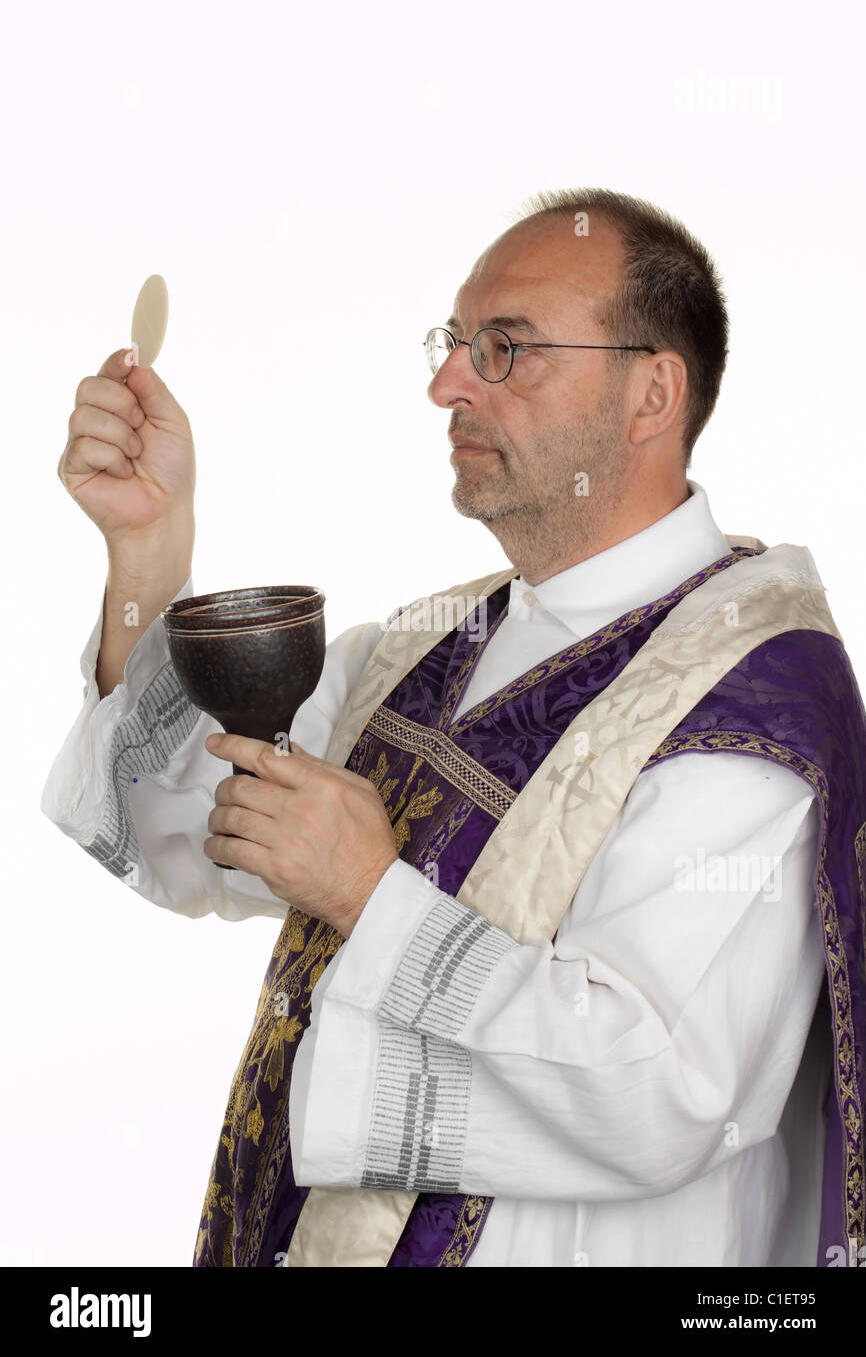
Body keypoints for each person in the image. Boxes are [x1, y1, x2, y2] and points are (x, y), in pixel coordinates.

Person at [42, 188, 866, 1269]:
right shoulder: (433, 644)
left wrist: (368, 897)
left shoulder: (746, 705)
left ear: (649, 391)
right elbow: (189, 827)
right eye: (452, 343)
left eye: (503, 349)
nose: (445, 385)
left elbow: (661, 1089)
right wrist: (148, 549)